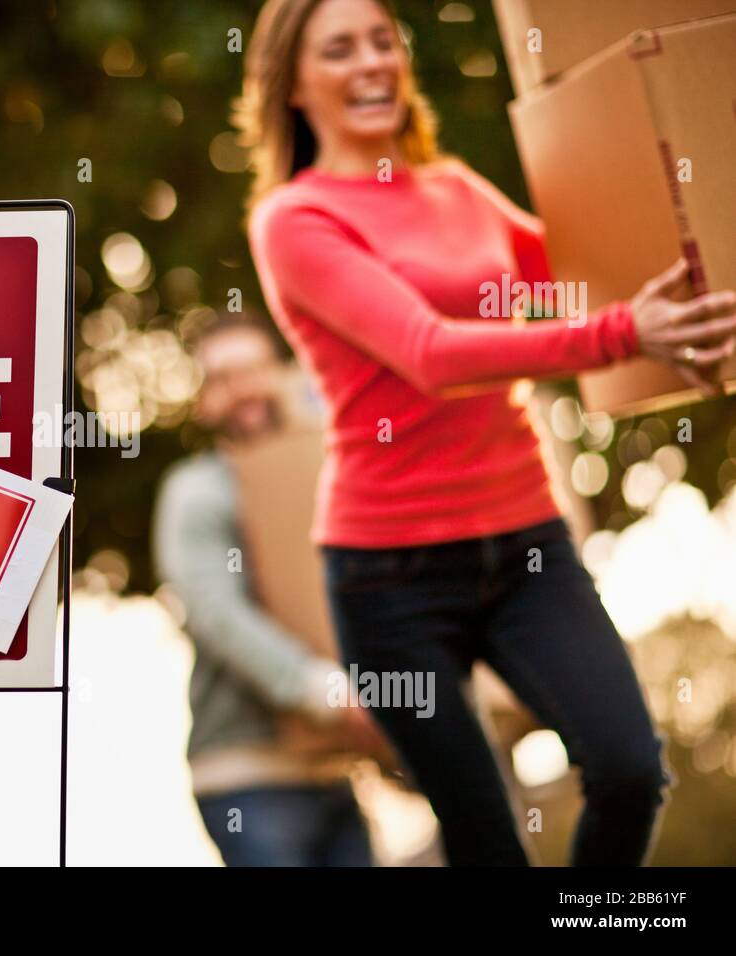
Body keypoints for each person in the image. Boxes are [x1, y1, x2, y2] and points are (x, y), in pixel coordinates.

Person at [238, 0, 736, 866]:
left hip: (522, 542)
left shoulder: (455, 188)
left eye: (383, 41)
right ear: (292, 84)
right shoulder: (294, 221)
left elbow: (586, 271)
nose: (371, 64)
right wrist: (624, 334)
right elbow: (427, 353)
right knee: (485, 839)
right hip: (389, 576)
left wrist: (697, 264)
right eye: (339, 49)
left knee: (626, 767)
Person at [153, 310, 386, 867]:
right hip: (248, 776)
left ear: (283, 373)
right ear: (205, 401)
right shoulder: (197, 492)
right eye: (222, 378)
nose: (242, 390)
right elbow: (218, 617)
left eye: (254, 369)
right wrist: (329, 694)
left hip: (334, 769)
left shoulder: (327, 477)